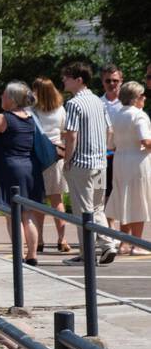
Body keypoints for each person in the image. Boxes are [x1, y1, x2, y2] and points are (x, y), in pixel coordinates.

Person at [0, 82, 45, 266]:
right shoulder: (30, 117)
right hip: (30, 168)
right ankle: (32, 254)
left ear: (11, 99)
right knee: (28, 214)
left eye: (3, 95)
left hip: (10, 169)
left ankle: (19, 254)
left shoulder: (5, 118)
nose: (0, 97)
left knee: (12, 214)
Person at [61, 60, 119, 265]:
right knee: (97, 208)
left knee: (83, 211)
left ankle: (87, 255)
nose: (63, 81)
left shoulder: (74, 104)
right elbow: (109, 131)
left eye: (67, 77)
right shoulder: (98, 101)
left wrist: (67, 160)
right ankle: (108, 244)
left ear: (78, 80)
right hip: (101, 163)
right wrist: (103, 151)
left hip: (82, 165)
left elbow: (72, 135)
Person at [105, 81, 151, 254]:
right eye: (142, 95)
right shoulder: (138, 115)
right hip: (137, 161)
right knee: (138, 200)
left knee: (125, 198)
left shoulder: (117, 114)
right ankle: (137, 244)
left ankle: (124, 243)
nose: (144, 98)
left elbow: (111, 143)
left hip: (120, 159)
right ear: (136, 98)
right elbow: (145, 141)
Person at [30, 77, 70, 253]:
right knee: (57, 200)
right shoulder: (61, 109)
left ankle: (39, 239)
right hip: (56, 156)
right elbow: (64, 132)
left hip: (37, 156)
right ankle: (62, 239)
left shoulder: (32, 110)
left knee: (38, 201)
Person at [100, 66, 123, 201]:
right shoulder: (98, 103)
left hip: (123, 154)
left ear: (121, 81)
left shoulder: (128, 104)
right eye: (107, 81)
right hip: (103, 155)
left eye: (115, 80)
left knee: (122, 193)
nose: (111, 84)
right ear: (102, 82)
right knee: (105, 194)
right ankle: (108, 223)